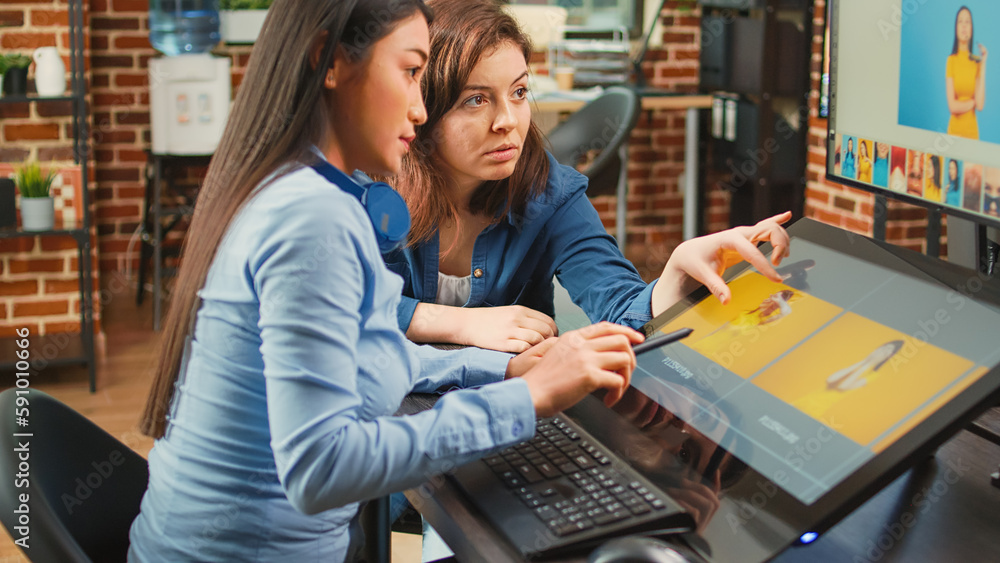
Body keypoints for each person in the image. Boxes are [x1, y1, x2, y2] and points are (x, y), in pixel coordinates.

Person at [127, 2, 645, 560]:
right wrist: (527, 398)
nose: (421, 109)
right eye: (410, 72)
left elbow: (363, 355)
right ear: (329, 65)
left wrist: (504, 370)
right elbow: (322, 469)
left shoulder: (303, 191)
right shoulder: (314, 219)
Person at [384, 0, 791, 354]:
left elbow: (620, 309)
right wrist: (455, 323)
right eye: (476, 100)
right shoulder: (374, 188)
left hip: (513, 403)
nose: (507, 121)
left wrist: (674, 278)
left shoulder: (550, 193)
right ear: (421, 107)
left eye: (519, 92)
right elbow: (350, 310)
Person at [792, 341, 904, 423]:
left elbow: (843, 386)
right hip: (804, 400)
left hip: (816, 409)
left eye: (887, 351)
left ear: (889, 356)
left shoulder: (873, 375)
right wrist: (864, 361)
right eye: (884, 347)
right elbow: (831, 379)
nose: (882, 351)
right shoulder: (854, 360)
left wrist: (868, 364)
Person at [946, 6, 987, 140]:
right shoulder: (951, 60)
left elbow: (980, 105)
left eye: (967, 21)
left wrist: (983, 63)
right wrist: (972, 103)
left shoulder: (977, 62)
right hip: (953, 133)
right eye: (960, 21)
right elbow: (952, 106)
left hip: (972, 133)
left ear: (971, 28)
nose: (964, 25)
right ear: (956, 28)